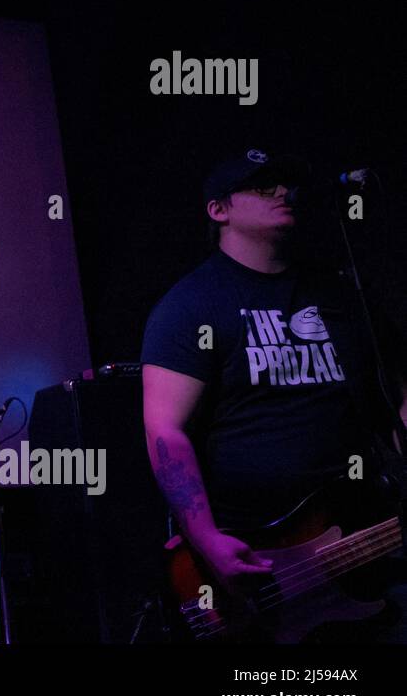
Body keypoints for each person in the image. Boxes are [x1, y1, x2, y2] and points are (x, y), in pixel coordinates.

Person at [141, 148, 407, 641]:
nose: (283, 194)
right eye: (262, 187)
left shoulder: (342, 292)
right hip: (264, 551)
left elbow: (395, 394)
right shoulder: (190, 306)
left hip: (368, 525)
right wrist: (208, 541)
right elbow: (166, 431)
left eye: (285, 184)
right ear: (219, 210)